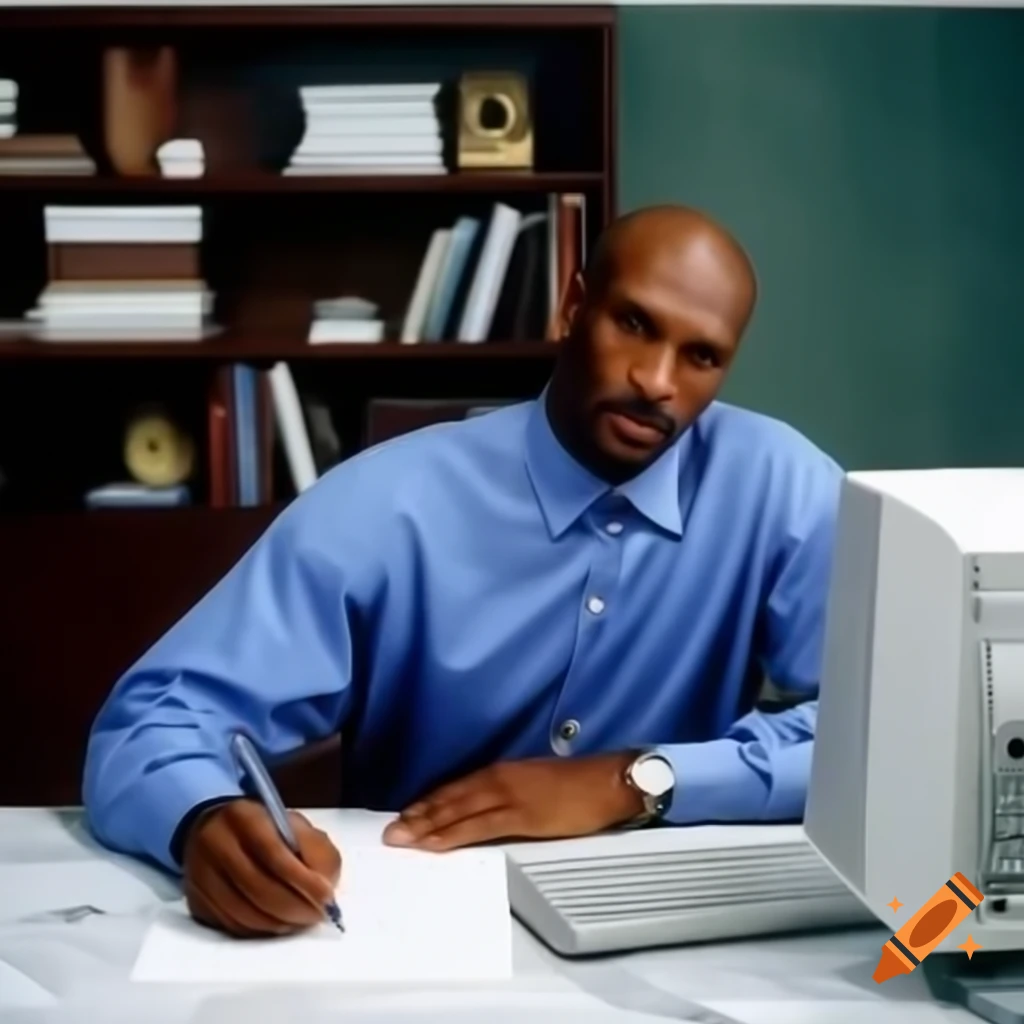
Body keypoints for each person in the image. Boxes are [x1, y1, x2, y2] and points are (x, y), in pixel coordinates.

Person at [83, 203, 843, 940]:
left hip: (678, 927)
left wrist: (637, 780)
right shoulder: (385, 501)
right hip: (413, 925)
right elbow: (148, 724)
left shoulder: (784, 490)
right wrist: (203, 819)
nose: (656, 380)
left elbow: (890, 739)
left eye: (701, 355)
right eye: (634, 324)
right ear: (572, 306)